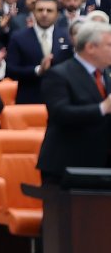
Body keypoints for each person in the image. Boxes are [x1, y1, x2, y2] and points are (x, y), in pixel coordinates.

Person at [37, 21, 111, 183]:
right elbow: (60, 113)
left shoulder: (105, 75)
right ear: (91, 47)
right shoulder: (59, 74)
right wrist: (102, 108)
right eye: (109, 45)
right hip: (66, 166)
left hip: (100, 164)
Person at [6, 0, 72, 105]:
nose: (44, 14)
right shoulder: (18, 37)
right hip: (29, 98)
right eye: (40, 10)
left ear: (57, 15)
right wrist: (37, 70)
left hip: (61, 99)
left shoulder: (67, 37)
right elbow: (10, 70)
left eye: (49, 10)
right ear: (33, 13)